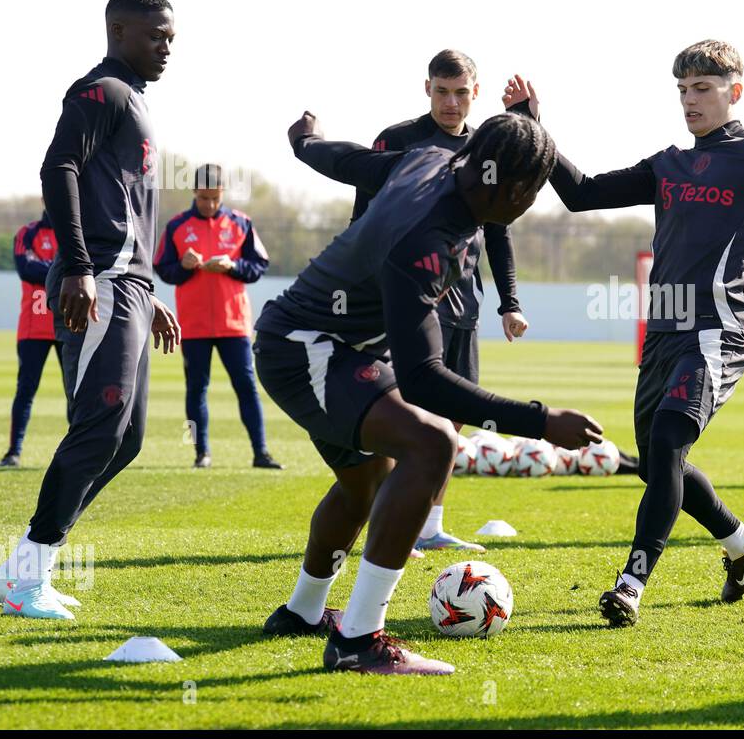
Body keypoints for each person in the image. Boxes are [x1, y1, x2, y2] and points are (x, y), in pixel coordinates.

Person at [508, 40, 744, 627]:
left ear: (736, 91)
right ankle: (738, 542)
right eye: (682, 89)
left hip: (719, 330)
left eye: (702, 88)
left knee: (672, 443)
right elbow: (581, 195)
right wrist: (534, 128)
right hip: (664, 335)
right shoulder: (669, 162)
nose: (690, 100)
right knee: (657, 466)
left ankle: (631, 583)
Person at [255, 108, 601, 675]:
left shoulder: (430, 158)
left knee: (367, 478)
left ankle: (302, 612)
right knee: (432, 443)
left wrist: (305, 143)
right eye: (533, 191)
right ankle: (358, 640)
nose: (531, 203)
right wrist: (541, 421)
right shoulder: (427, 241)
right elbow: (422, 380)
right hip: (307, 349)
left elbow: (351, 162)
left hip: (329, 346)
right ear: (512, 190)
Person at [0, 0, 182, 620]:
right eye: (156, 36)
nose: (166, 48)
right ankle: (28, 572)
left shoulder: (135, 102)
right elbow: (58, 169)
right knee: (101, 425)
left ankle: (21, 567)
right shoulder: (100, 91)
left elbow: (124, 207)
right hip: (96, 281)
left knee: (124, 439)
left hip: (126, 284)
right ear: (119, 30)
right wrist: (78, 266)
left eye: (171, 39)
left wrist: (146, 288)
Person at [356, 49, 523, 552]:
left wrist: (509, 302)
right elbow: (363, 217)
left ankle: (428, 529)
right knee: (401, 417)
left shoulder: (487, 150)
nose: (451, 103)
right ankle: (385, 519)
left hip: (464, 305)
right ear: (426, 88)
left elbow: (498, 231)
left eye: (461, 92)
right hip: (407, 302)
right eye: (441, 91)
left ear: (476, 91)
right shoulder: (397, 141)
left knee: (453, 419)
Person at [155, 164, 281, 469]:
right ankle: (200, 453)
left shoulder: (241, 223)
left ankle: (261, 452)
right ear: (194, 193)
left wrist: (232, 266)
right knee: (196, 389)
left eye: (214, 198)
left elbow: (259, 266)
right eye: (203, 198)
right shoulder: (176, 226)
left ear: (222, 193)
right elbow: (163, 268)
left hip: (233, 323)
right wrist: (183, 266)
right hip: (194, 324)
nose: (209, 204)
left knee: (247, 386)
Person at [0, 208, 62, 468]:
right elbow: (26, 269)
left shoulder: (76, 232)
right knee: (25, 390)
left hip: (68, 324)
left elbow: (83, 268)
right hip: (33, 327)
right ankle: (13, 452)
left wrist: (44, 264)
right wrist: (60, 267)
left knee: (76, 392)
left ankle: (80, 456)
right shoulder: (27, 233)